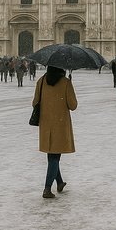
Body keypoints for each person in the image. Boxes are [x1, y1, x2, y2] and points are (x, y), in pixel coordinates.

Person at [32, 65, 77, 199]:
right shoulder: (65, 83)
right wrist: (69, 86)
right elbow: (73, 105)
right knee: (54, 157)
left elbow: (35, 102)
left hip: (46, 124)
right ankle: (47, 188)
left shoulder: (41, 81)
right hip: (60, 124)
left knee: (52, 154)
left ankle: (59, 182)